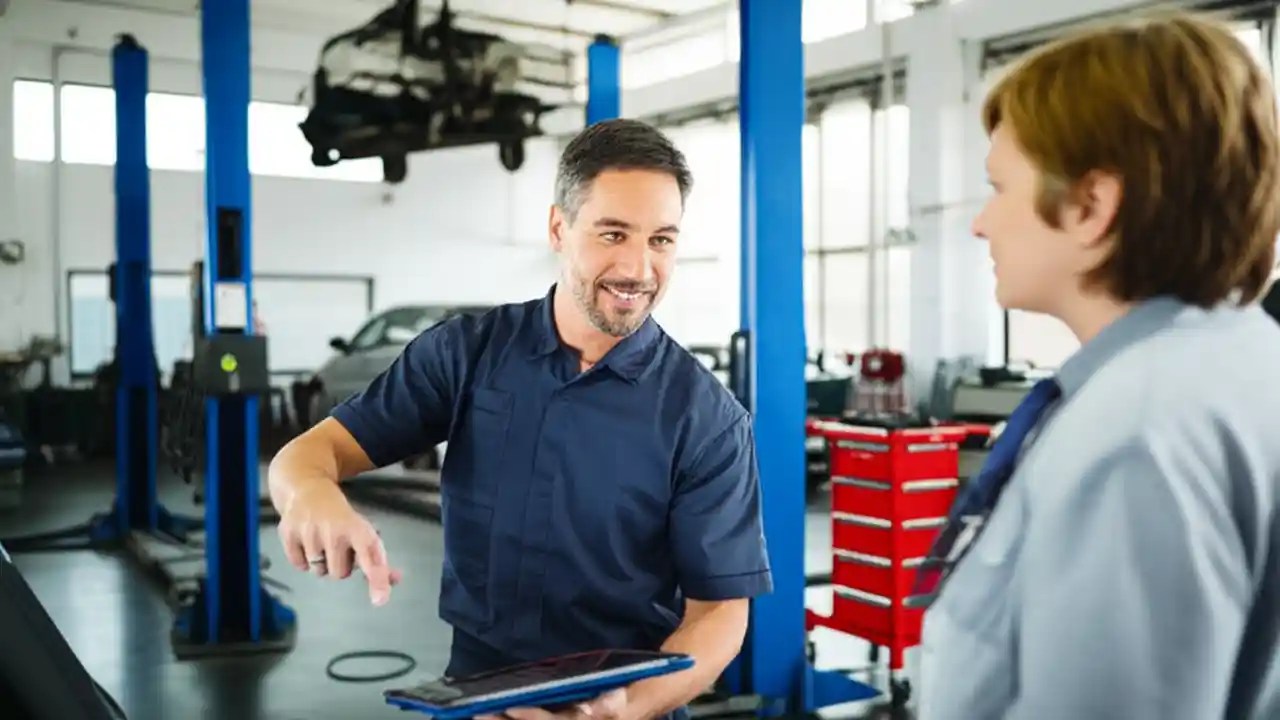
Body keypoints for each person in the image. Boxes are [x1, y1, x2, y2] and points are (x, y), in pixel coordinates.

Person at [267, 118, 772, 720]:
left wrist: (618, 713)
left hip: (626, 699)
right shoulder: (467, 355)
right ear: (559, 227)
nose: (639, 268)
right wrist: (309, 494)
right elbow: (306, 455)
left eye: (661, 240)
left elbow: (720, 612)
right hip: (477, 694)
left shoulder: (706, 417)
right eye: (613, 234)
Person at [917, 13, 1280, 720]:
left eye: (999, 187)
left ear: (1091, 205)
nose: (980, 223)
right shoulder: (1246, 366)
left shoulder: (1137, 435)